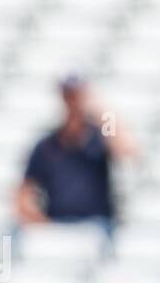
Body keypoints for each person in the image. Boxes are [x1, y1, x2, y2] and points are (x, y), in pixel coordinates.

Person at [16, 74, 138, 235]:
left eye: (77, 95)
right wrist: (40, 223)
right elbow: (25, 190)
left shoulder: (100, 138)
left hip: (97, 227)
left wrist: (103, 113)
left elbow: (127, 151)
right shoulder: (47, 145)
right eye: (69, 95)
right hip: (57, 225)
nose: (73, 101)